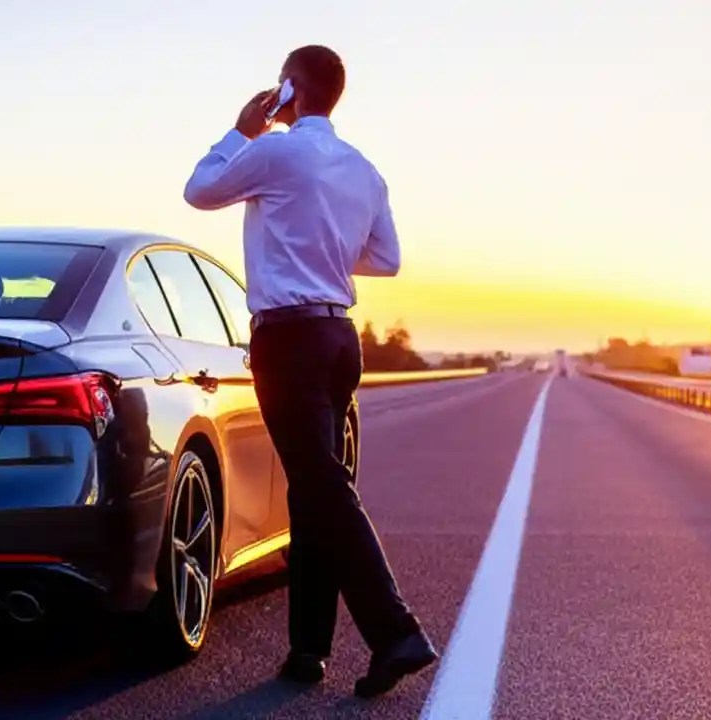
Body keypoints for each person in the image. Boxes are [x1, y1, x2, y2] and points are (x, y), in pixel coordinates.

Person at [182, 45, 439, 699]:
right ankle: (308, 650)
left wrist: (244, 129)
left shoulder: (274, 151)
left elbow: (199, 191)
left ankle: (397, 632)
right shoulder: (364, 169)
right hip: (338, 337)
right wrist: (323, 243)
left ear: (289, 89)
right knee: (311, 487)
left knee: (323, 487)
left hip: (289, 339)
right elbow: (386, 260)